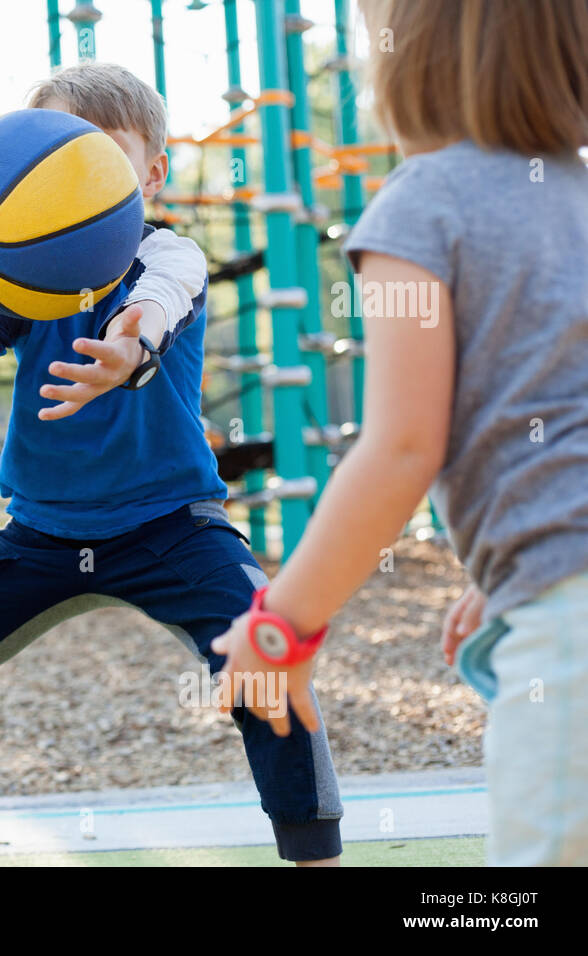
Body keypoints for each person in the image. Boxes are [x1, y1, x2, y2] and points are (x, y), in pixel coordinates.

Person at [0, 62, 344, 867]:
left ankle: (318, 857)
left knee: (270, 669)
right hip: (40, 532)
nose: (72, 174)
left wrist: (127, 350)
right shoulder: (12, 276)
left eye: (98, 156)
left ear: (151, 174)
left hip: (175, 527)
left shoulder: (167, 254)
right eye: (57, 151)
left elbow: (154, 313)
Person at [209, 0, 588, 866]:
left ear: (412, 55)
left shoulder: (422, 205)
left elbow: (401, 448)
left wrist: (281, 627)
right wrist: (537, 562)